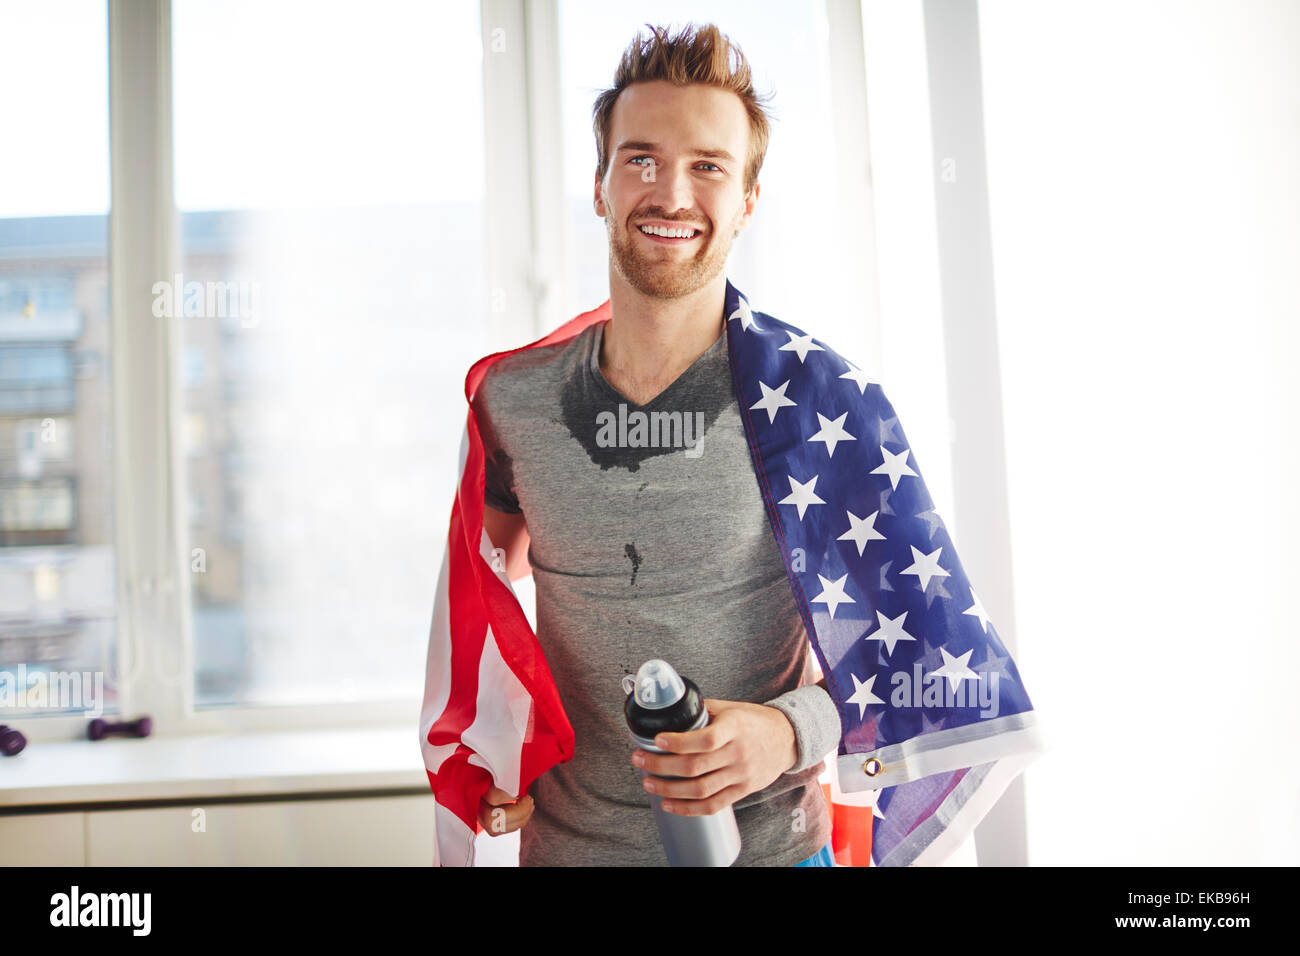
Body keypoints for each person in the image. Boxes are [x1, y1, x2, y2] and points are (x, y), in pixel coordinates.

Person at [469, 22, 842, 866]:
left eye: (708, 166)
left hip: (775, 855)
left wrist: (788, 735)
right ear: (599, 187)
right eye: (640, 159)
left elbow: (921, 658)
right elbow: (481, 611)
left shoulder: (815, 400)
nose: (670, 194)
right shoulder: (512, 399)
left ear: (747, 199)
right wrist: (493, 752)